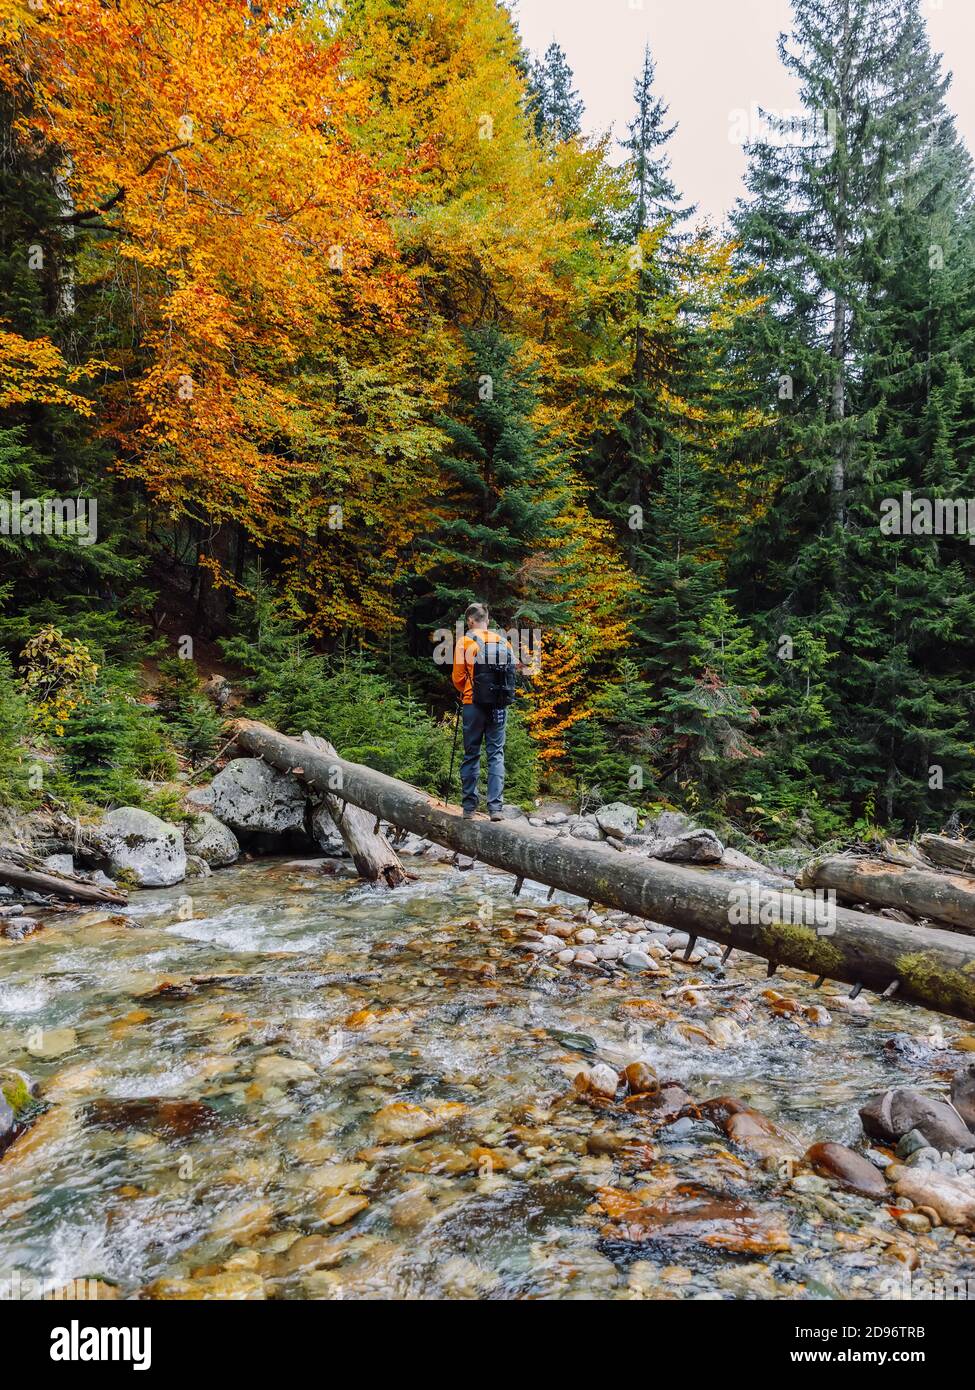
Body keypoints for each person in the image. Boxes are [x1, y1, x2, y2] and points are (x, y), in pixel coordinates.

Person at [451, 602, 516, 820]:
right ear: (486, 620)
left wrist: (471, 691)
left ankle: (469, 808)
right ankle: (495, 809)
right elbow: (509, 676)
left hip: (473, 704)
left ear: (470, 621)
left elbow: (458, 679)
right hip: (498, 706)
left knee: (472, 754)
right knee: (496, 754)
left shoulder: (465, 642)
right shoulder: (503, 642)